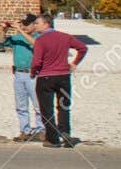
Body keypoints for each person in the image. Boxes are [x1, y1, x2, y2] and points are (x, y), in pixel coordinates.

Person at [30, 12, 88, 148]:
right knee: (63, 106)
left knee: (47, 109)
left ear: (46, 24)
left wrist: (33, 72)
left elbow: (37, 61)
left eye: (37, 23)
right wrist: (74, 63)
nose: (35, 25)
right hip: (63, 76)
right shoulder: (65, 37)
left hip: (46, 77)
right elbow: (83, 48)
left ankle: (52, 139)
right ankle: (65, 133)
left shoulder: (41, 40)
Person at [0, 14, 43, 141]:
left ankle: (42, 130)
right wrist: (4, 29)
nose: (24, 26)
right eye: (22, 23)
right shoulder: (18, 37)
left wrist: (19, 30)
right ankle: (25, 130)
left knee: (38, 104)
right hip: (19, 73)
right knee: (21, 105)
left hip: (33, 74)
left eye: (26, 24)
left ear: (34, 25)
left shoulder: (39, 37)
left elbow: (35, 44)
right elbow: (2, 41)